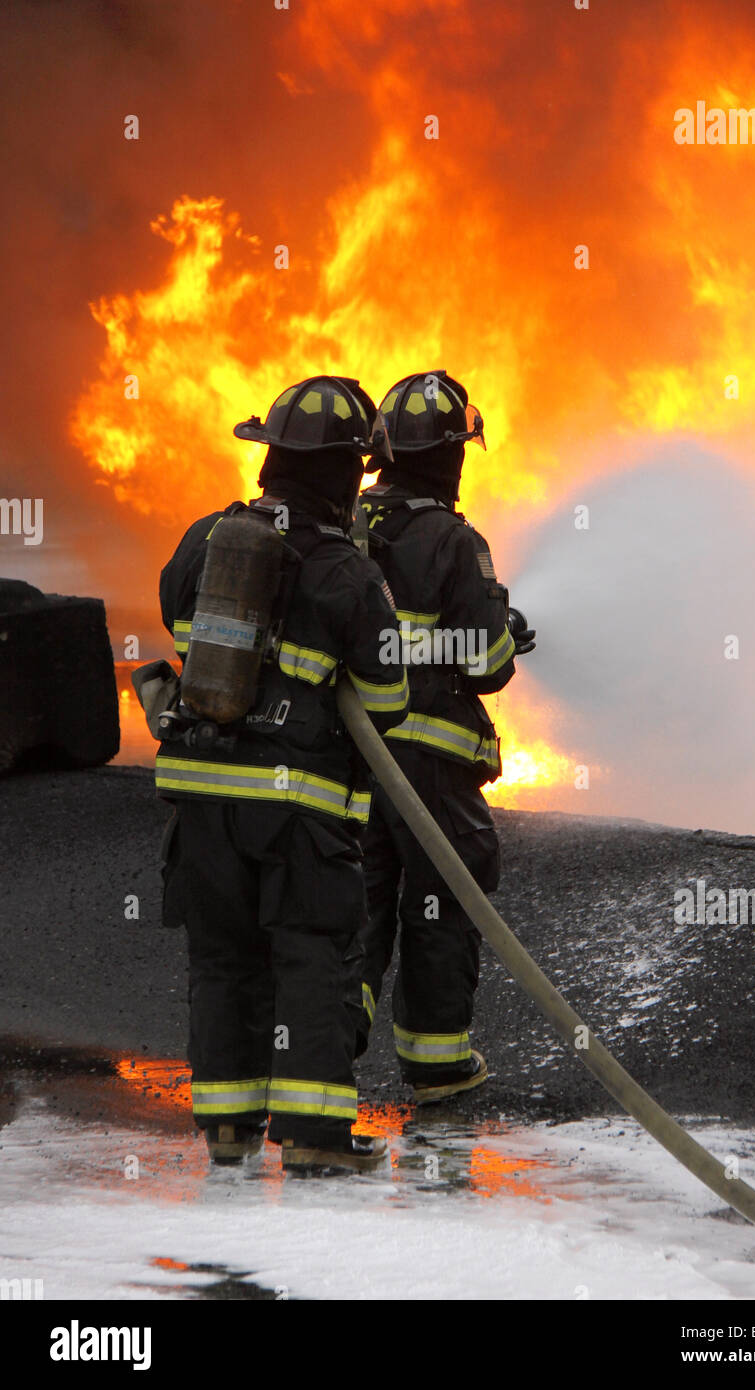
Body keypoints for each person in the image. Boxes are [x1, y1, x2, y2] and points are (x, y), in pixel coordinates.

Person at [154, 375, 409, 1170]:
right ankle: (313, 1138)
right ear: (349, 472)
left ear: (270, 458)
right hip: (294, 803)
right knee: (312, 958)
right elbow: (389, 699)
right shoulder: (346, 571)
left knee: (223, 957)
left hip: (199, 793)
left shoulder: (206, 538)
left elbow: (172, 612)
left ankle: (227, 1129)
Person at [352, 370, 535, 1103]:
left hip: (353, 761)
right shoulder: (456, 542)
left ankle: (320, 1066)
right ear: (450, 455)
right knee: (440, 907)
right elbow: (488, 668)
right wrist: (503, 628)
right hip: (431, 768)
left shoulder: (344, 528)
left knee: (354, 912)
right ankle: (437, 1070)